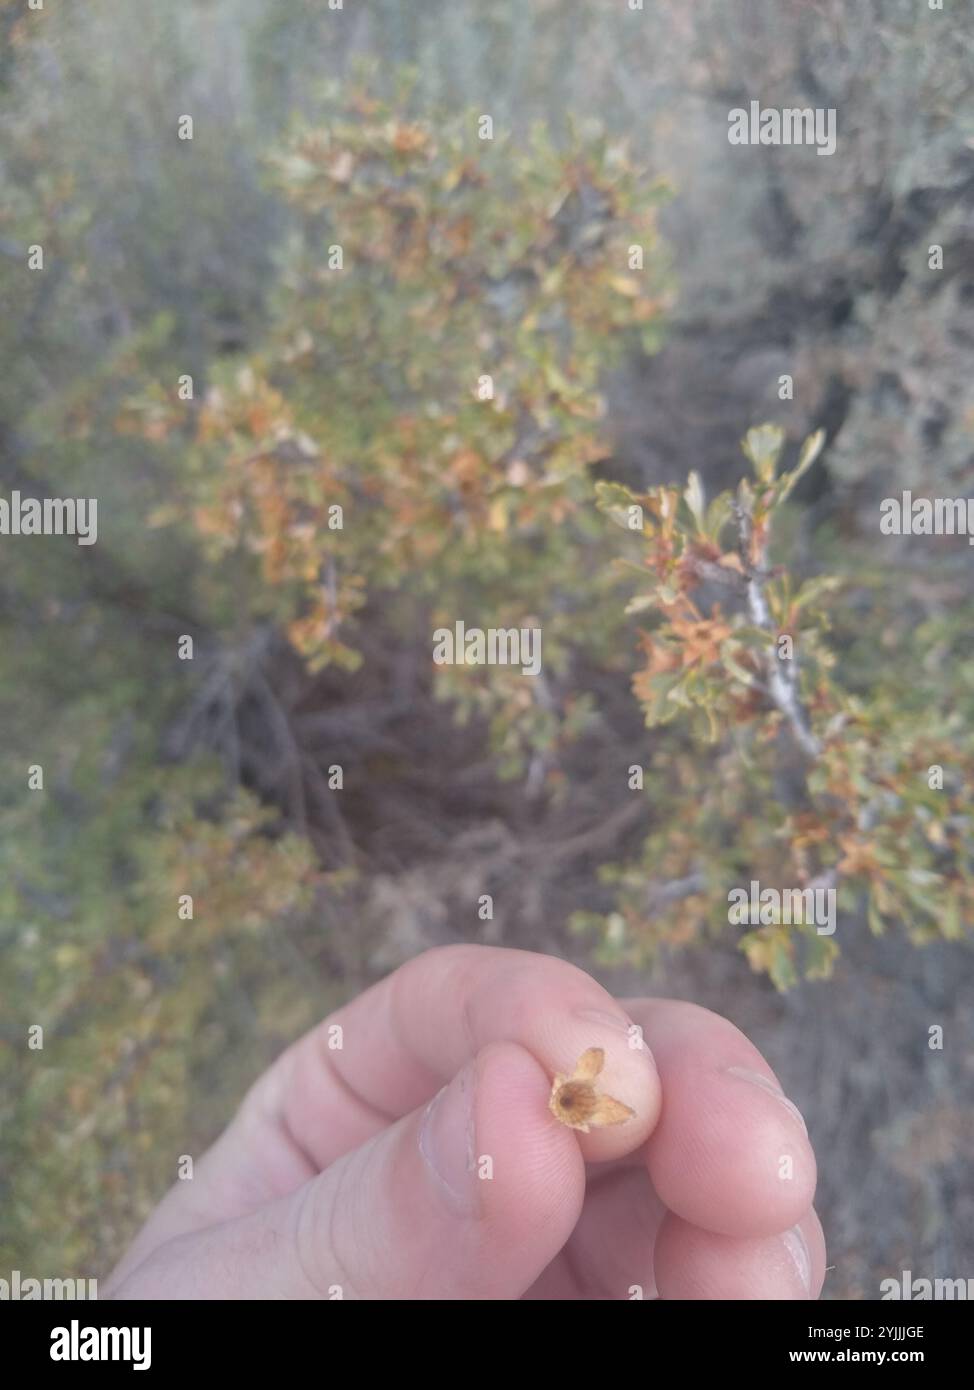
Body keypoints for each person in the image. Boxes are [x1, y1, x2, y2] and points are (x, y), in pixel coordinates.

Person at [104, 945, 823, 1299]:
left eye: (577, 1103)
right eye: (573, 1102)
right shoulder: (547, 1104)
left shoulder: (579, 1099)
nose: (571, 1105)